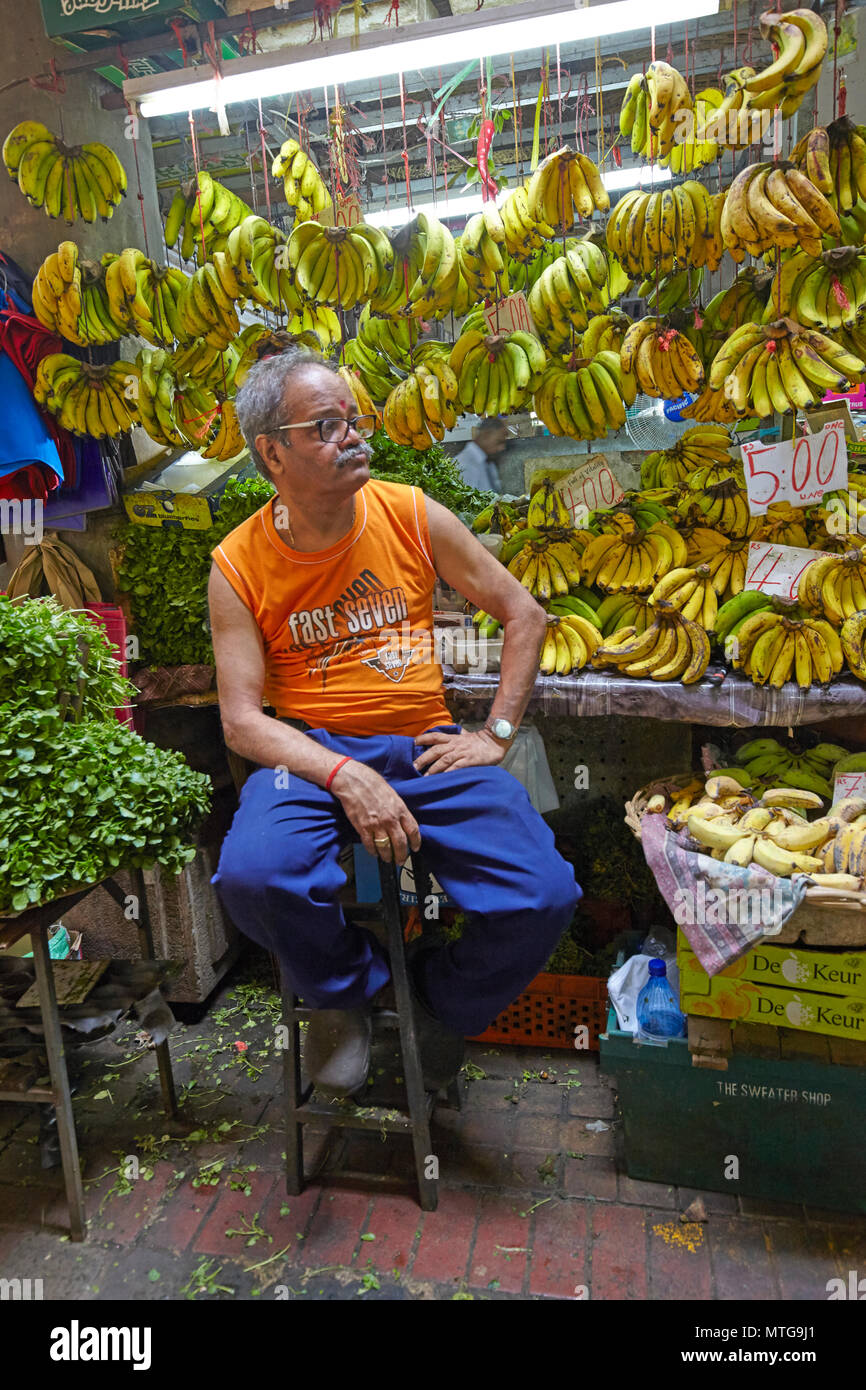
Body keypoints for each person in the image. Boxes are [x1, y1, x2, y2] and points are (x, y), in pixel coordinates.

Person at [208, 349, 580, 1099]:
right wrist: (344, 775)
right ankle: (349, 993)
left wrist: (495, 736)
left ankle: (434, 1003)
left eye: (352, 419)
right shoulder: (238, 564)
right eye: (325, 426)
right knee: (252, 877)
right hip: (309, 758)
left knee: (544, 894)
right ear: (271, 454)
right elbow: (243, 722)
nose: (353, 437)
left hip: (423, 748)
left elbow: (523, 614)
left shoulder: (409, 512)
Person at [454, 417, 511, 492]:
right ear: (485, 435)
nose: (502, 448)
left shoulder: (488, 461)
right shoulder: (463, 464)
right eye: (499, 442)